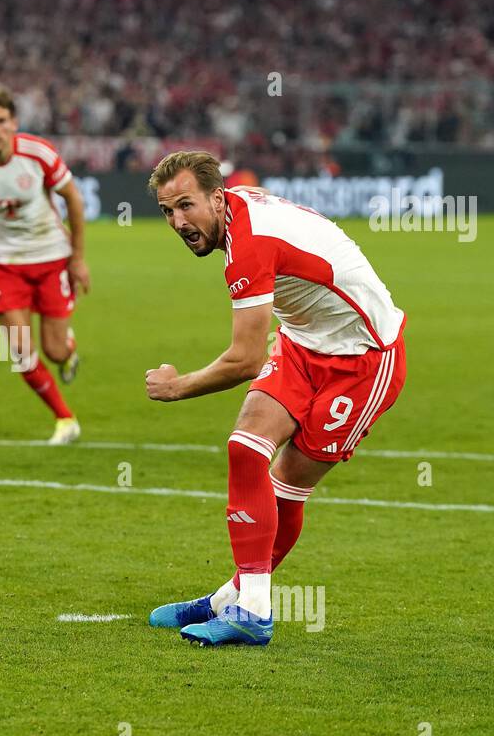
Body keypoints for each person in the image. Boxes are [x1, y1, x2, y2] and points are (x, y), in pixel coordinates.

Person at [145, 151, 406, 646]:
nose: (178, 221)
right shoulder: (236, 214)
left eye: (186, 205)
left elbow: (243, 361)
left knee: (286, 485)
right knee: (246, 449)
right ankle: (234, 602)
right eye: (167, 211)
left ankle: (250, 609)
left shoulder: (249, 244)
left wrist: (177, 387)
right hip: (301, 344)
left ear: (217, 199)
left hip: (363, 359)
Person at [0, 89, 89, 444]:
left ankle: (67, 350)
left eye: (1, 121)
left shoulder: (37, 153)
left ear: (13, 123)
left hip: (51, 256)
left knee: (54, 350)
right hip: (2, 264)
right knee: (22, 349)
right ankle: (65, 419)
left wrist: (78, 257)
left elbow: (73, 199)